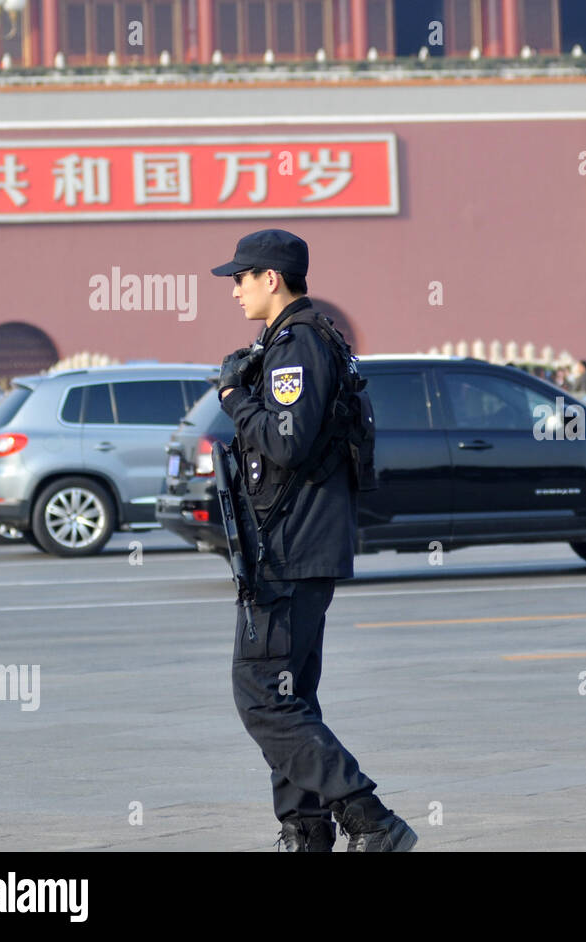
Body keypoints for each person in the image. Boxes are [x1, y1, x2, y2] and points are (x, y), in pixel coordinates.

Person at [212, 229, 416, 853]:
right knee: (288, 696)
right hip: (293, 542)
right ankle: (305, 832)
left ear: (271, 278)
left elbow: (285, 441)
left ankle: (370, 820)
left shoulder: (298, 345)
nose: (236, 291)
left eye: (242, 278)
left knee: (261, 696)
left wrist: (233, 397)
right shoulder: (299, 339)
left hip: (290, 547)